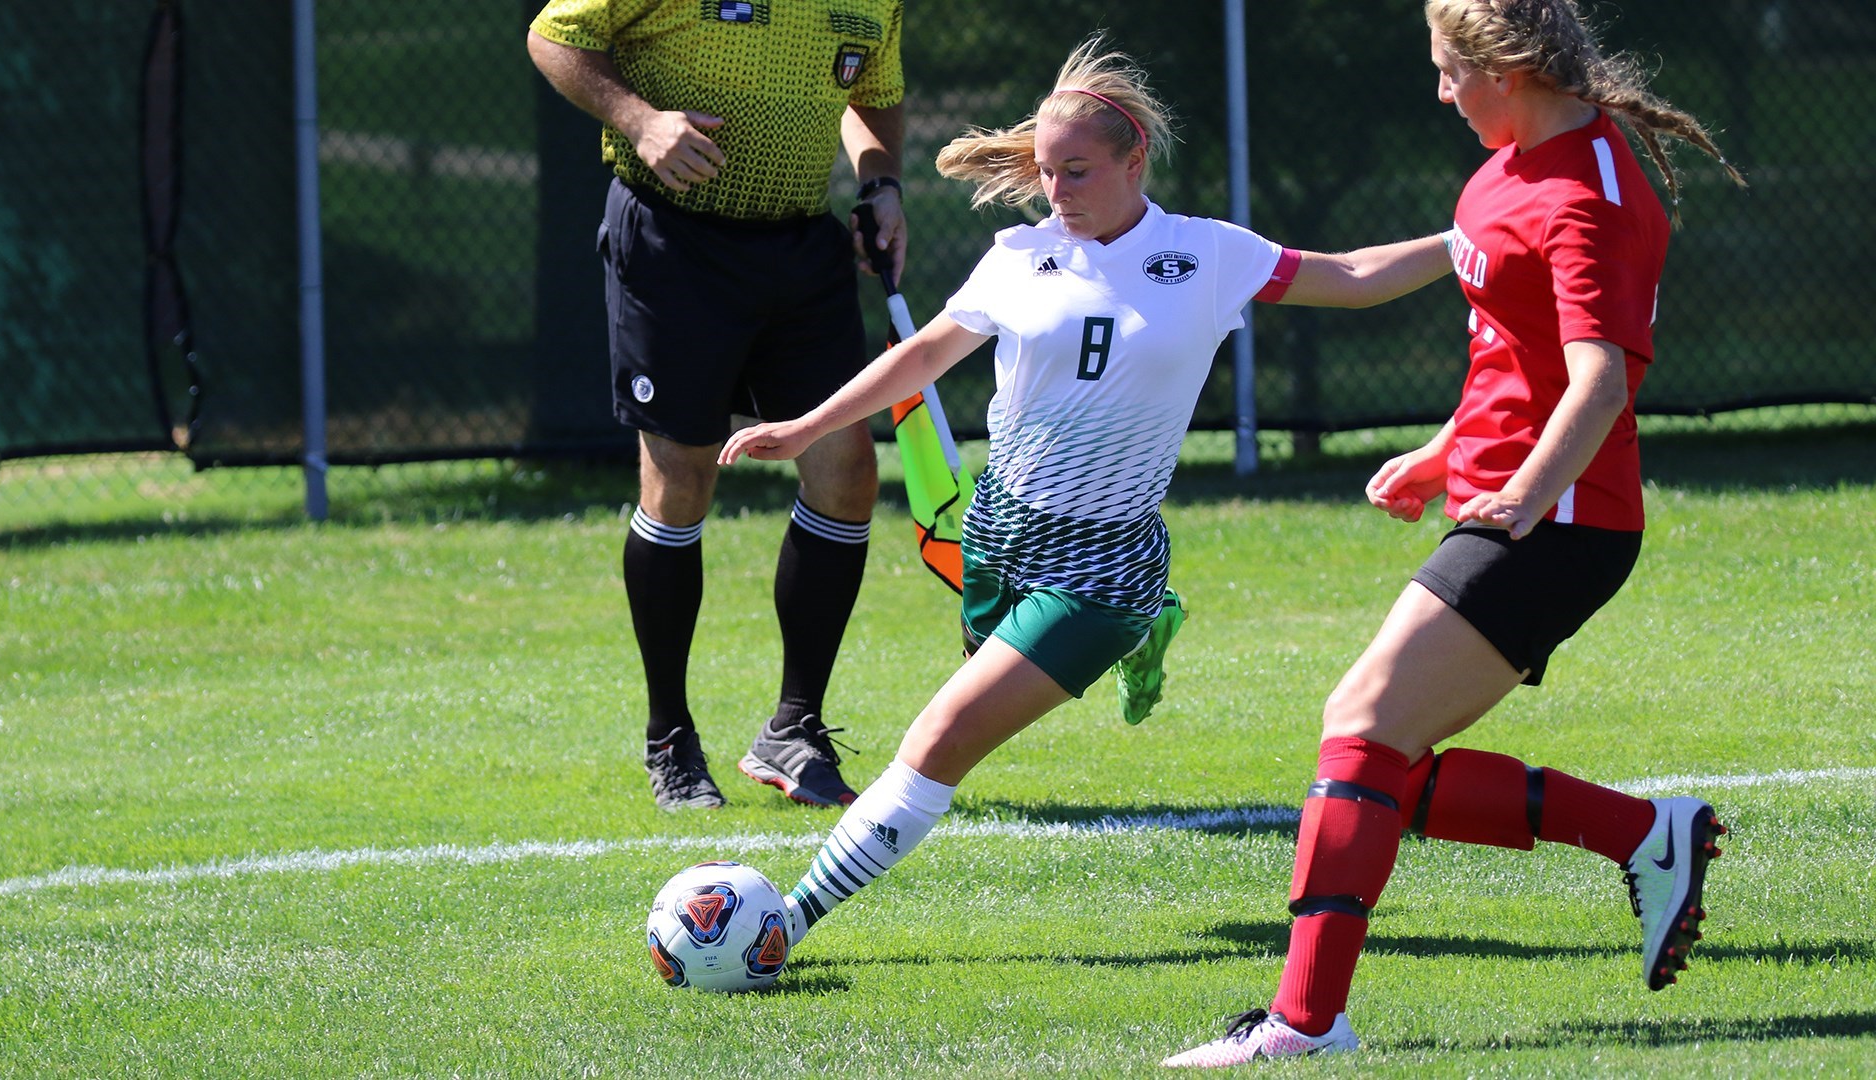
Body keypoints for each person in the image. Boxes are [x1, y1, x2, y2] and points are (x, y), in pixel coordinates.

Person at [720, 36, 1453, 955]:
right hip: (995, 528)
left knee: (944, 731)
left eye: (1076, 172)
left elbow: (1350, 276)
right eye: (1044, 173)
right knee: (980, 661)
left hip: (1103, 564)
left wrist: (1468, 242)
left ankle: (785, 924)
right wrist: (805, 427)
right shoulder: (1018, 256)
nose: (1056, 192)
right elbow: (920, 357)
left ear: (1135, 159)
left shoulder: (1207, 255)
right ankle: (1153, 622)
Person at [1161, 0, 1750, 1066]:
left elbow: (1600, 383)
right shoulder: (1514, 156)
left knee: (1361, 725)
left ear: (1511, 68)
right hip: (1514, 500)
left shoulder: (1586, 195)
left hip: (1563, 520)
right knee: (1392, 763)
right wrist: (1446, 455)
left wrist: (1522, 494)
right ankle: (1643, 836)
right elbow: (1511, 353)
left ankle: (1303, 1024)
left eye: (1448, 72)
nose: (1440, 93)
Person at [527, 0, 910, 811]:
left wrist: (880, 183)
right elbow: (555, 35)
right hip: (674, 243)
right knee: (681, 479)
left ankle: (793, 731)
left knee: (846, 475)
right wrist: (640, 120)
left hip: (804, 247)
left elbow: (873, 89)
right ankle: (670, 739)